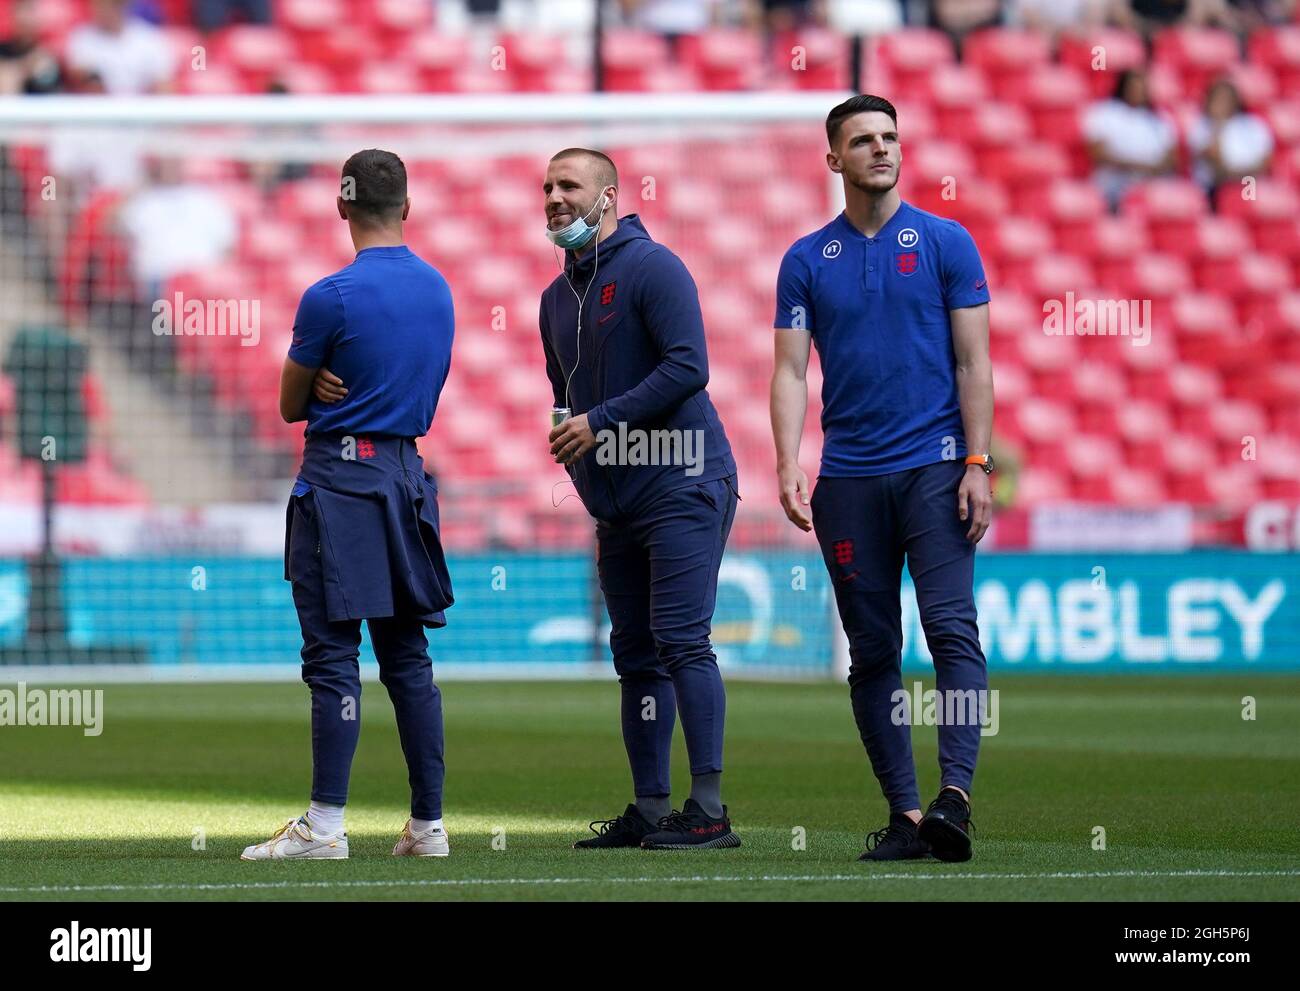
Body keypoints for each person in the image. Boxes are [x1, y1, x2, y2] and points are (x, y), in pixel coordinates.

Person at [770, 94, 994, 863]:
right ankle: (904, 814)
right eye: (862, 140)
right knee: (872, 650)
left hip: (935, 469)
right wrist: (787, 458)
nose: (881, 148)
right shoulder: (805, 260)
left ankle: (954, 797)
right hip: (848, 483)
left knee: (951, 629)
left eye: (891, 136)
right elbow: (791, 370)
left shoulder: (946, 241)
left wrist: (977, 461)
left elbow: (974, 362)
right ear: (834, 159)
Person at [243, 149, 456, 861]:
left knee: (333, 659)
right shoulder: (440, 290)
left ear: (342, 206)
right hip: (406, 477)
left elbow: (285, 404)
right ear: (408, 206)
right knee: (409, 659)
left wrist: (329, 386)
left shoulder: (329, 296)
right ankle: (428, 826)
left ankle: (325, 826)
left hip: (340, 479)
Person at [539, 148, 741, 850]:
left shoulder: (654, 266)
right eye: (547, 188)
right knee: (635, 655)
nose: (555, 197)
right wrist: (583, 465)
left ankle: (709, 809)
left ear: (610, 196)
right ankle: (652, 806)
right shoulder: (552, 298)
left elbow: (690, 366)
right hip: (619, 503)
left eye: (570, 185)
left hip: (684, 478)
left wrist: (599, 424)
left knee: (682, 638)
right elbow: (565, 403)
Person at [1084, 68, 1177, 212]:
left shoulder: (1158, 119)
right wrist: (1137, 166)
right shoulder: (1105, 113)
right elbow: (1098, 154)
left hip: (1152, 188)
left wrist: (1154, 169)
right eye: (1133, 87)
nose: (1138, 91)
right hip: (1115, 187)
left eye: (1141, 87)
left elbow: (1171, 157)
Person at [1188, 78, 1273, 201]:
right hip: (1215, 188)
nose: (1223, 103)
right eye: (1219, 98)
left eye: (1227, 98)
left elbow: (1266, 160)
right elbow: (1214, 164)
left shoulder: (1252, 125)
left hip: (1249, 183)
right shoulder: (1202, 126)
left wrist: (1240, 175)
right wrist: (1217, 125)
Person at [65, 0, 174, 95]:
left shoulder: (149, 38)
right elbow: (85, 83)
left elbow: (163, 86)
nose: (99, 10)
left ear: (121, 6)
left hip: (142, 113)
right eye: (97, 5)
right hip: (98, 112)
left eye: (105, 5)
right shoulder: (82, 39)